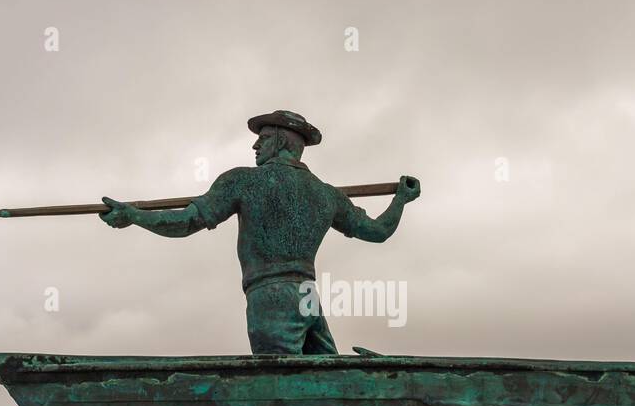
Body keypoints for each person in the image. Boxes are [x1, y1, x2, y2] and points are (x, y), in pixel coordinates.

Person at [100, 110, 420, 354]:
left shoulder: (243, 181)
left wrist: (134, 215)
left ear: (280, 141)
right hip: (307, 298)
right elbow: (378, 231)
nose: (255, 144)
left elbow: (186, 222)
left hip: (270, 298)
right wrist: (401, 200)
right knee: (326, 380)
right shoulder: (326, 194)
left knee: (282, 389)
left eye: (263, 138)